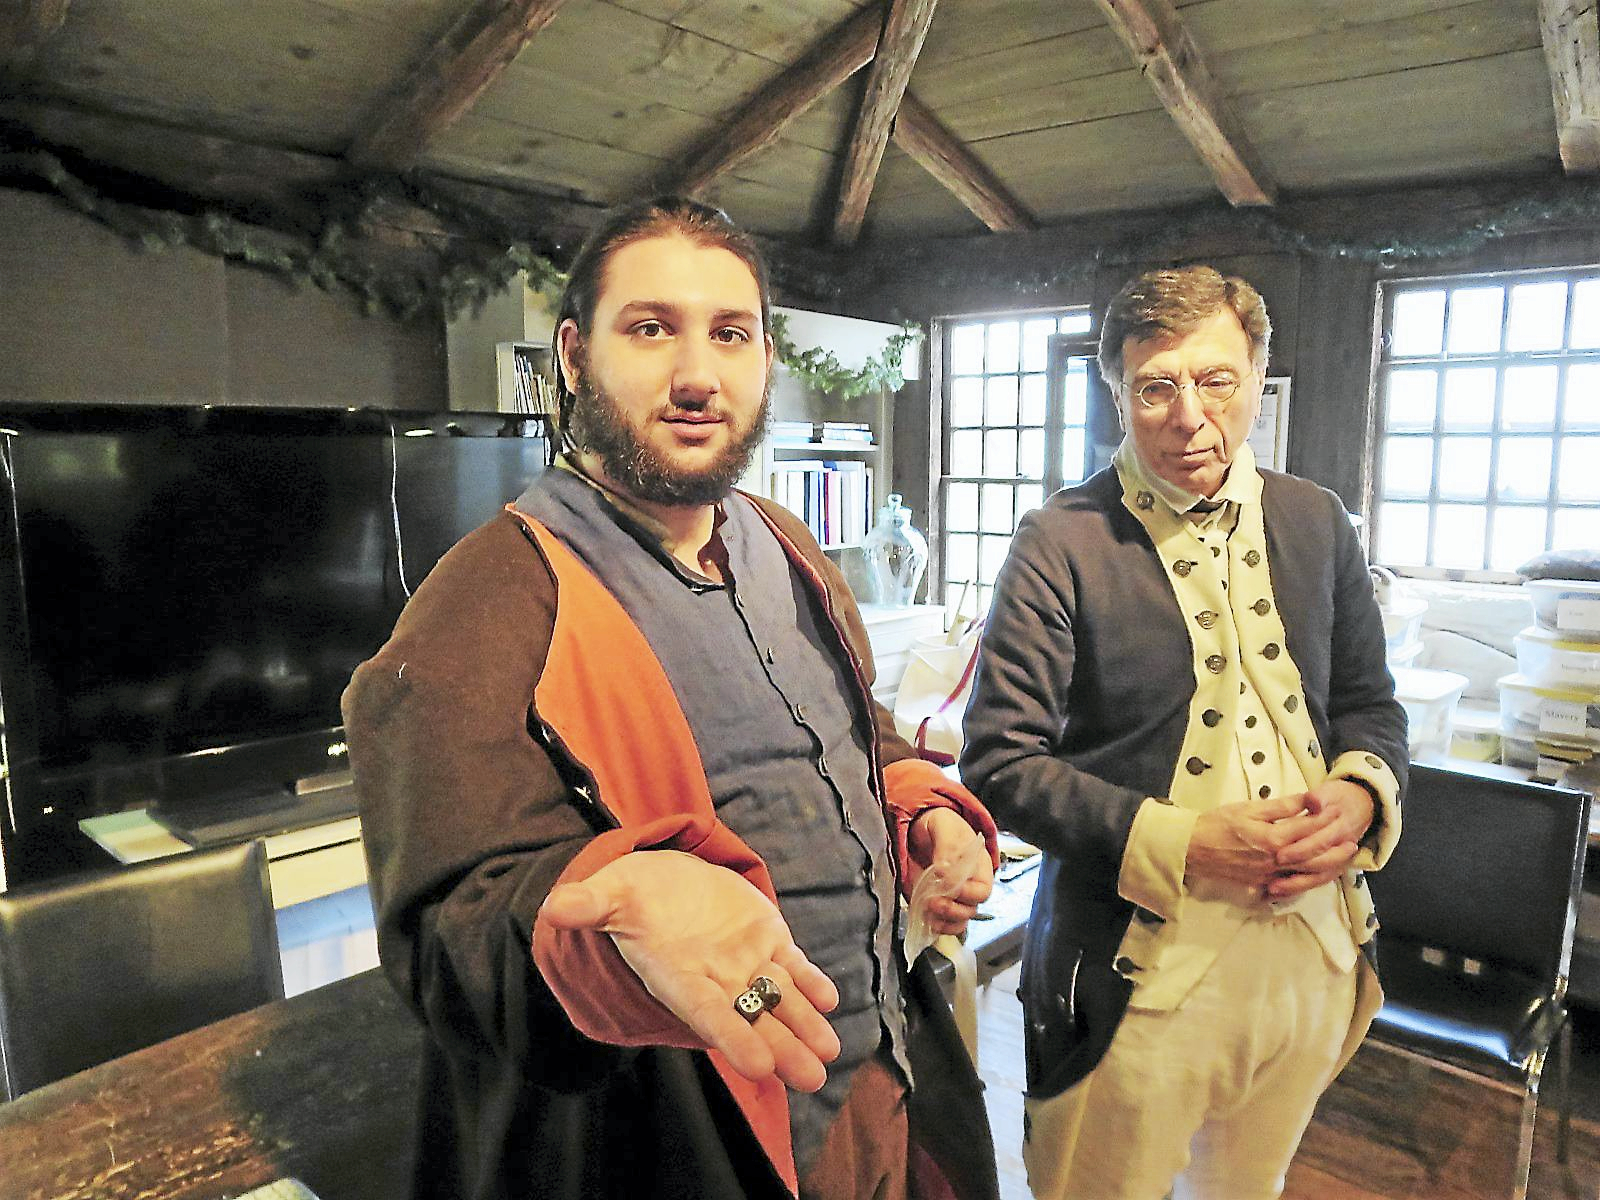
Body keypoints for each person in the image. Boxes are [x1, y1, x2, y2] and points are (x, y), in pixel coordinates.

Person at [343, 195, 1001, 1200]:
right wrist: (617, 919)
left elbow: (851, 738)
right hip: (685, 1145)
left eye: (729, 334)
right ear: (575, 356)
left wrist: (916, 810)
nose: (697, 375)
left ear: (765, 357)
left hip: (880, 1078)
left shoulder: (785, 543)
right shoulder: (489, 597)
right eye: (651, 329)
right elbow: (447, 943)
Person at [960, 265, 1408, 1200]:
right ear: (1116, 392)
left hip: (1316, 955)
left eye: (1216, 381)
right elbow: (1000, 761)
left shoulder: (1318, 519)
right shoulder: (1059, 538)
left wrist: (1361, 792)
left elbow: (1370, 700)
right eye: (1155, 387)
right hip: (1137, 974)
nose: (1189, 418)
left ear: (1256, 378)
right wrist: (1186, 841)